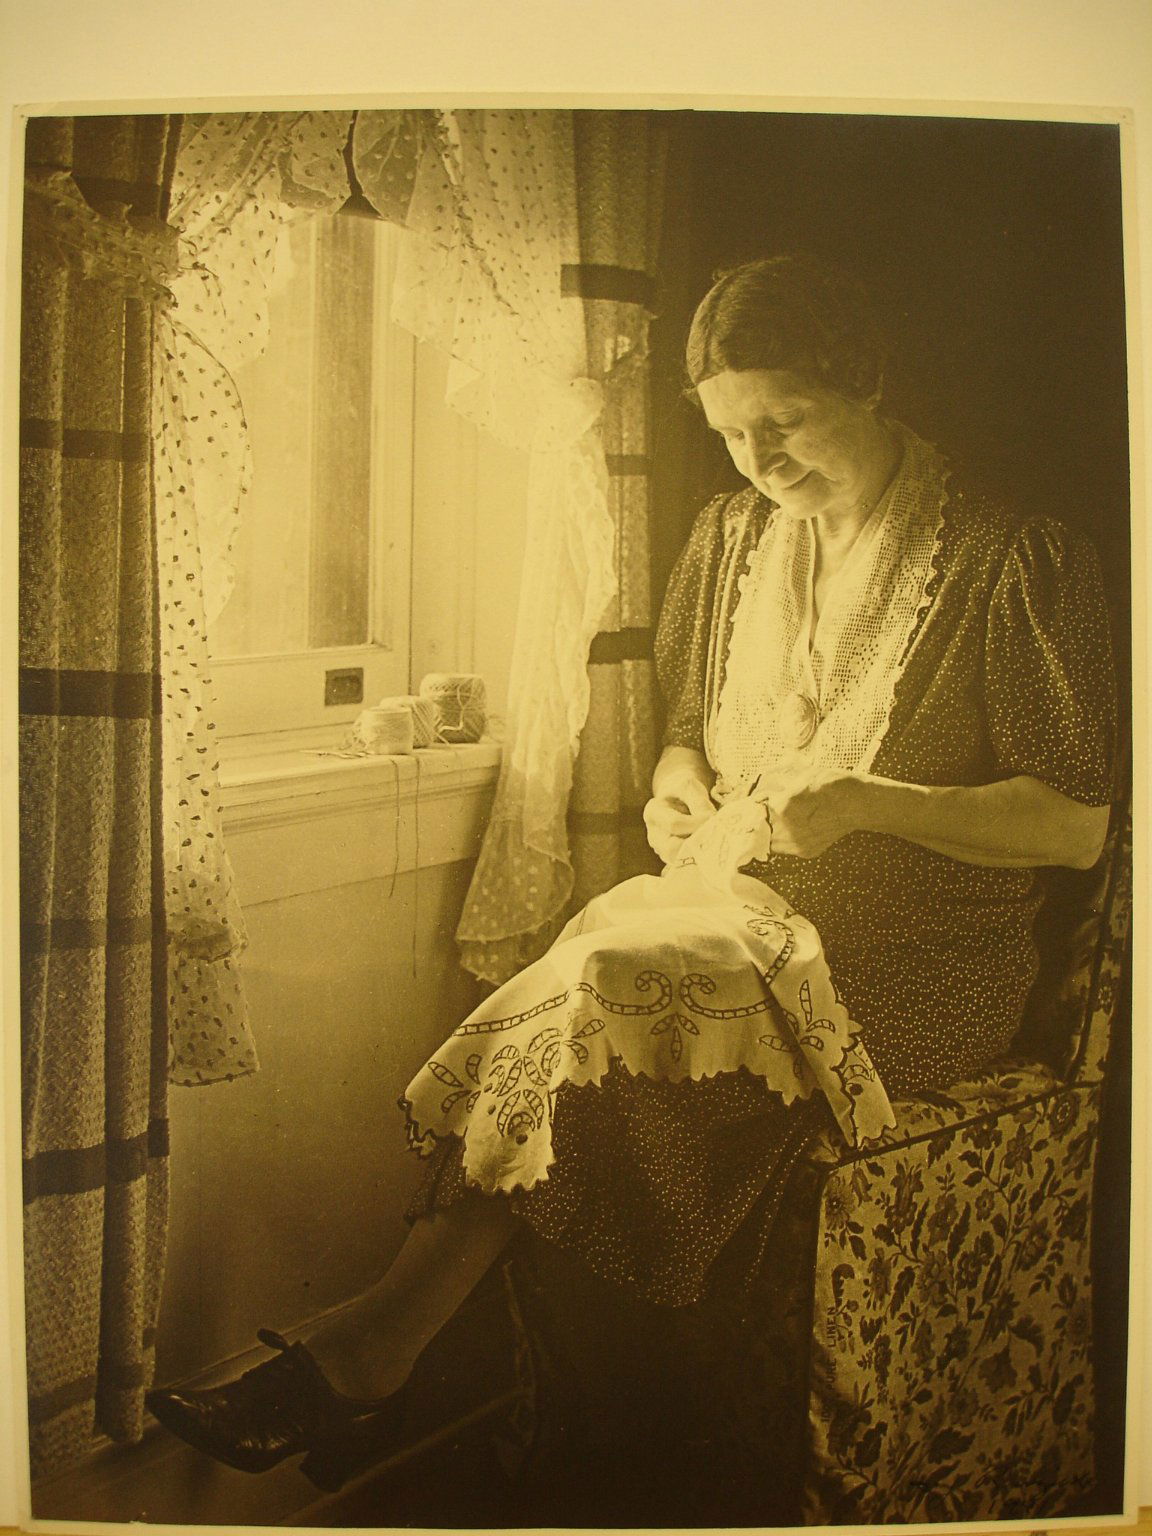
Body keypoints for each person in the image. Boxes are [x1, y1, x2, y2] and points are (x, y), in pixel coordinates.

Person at [146, 254, 1117, 1492]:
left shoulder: (1015, 558)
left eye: (786, 420)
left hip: (923, 965)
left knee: (598, 985)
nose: (759, 459)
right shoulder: (728, 542)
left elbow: (1075, 824)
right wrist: (675, 781)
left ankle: (382, 1350)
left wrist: (877, 801)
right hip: (736, 919)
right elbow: (685, 733)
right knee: (595, 1015)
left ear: (864, 383)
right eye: (729, 433)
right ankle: (451, 1379)